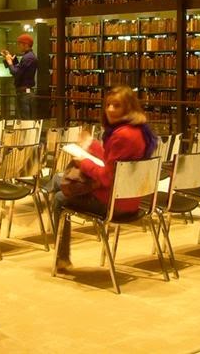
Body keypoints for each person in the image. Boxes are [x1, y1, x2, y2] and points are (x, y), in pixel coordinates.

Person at [49, 85, 158, 271]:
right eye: (108, 105)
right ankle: (60, 248)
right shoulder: (139, 131)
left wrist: (83, 162)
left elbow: (107, 178)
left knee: (59, 197)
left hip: (114, 203)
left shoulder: (122, 135)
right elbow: (114, 161)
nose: (110, 110)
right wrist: (92, 144)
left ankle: (61, 255)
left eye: (117, 106)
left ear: (129, 108)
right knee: (58, 182)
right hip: (132, 200)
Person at [2, 33, 38, 119]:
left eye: (20, 44)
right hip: (26, 92)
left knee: (25, 120)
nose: (18, 46)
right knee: (25, 118)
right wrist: (11, 60)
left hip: (24, 93)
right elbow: (21, 70)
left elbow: (16, 73)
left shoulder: (28, 58)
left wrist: (10, 62)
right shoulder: (29, 56)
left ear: (25, 44)